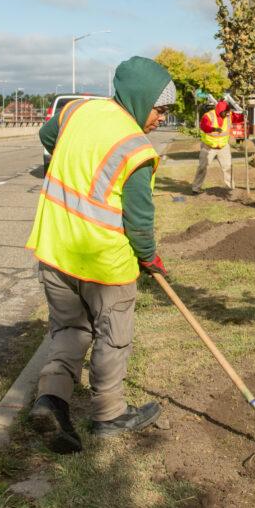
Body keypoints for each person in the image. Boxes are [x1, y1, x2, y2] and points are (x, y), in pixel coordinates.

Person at [25, 56, 173, 453]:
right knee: (113, 336)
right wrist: (151, 258)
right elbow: (139, 221)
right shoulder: (136, 149)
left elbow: (46, 135)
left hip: (56, 249)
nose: (162, 118)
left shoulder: (78, 111)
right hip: (105, 263)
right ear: (141, 99)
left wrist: (73, 159)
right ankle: (108, 414)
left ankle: (51, 400)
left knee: (69, 331)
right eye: (161, 108)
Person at [191, 99, 233, 193]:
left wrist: (243, 115)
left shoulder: (228, 116)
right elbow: (204, 126)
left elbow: (238, 117)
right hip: (208, 147)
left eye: (227, 112)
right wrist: (213, 128)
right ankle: (196, 188)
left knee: (228, 167)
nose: (226, 114)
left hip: (223, 147)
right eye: (225, 112)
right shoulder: (208, 116)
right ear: (219, 111)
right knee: (202, 167)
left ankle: (229, 188)